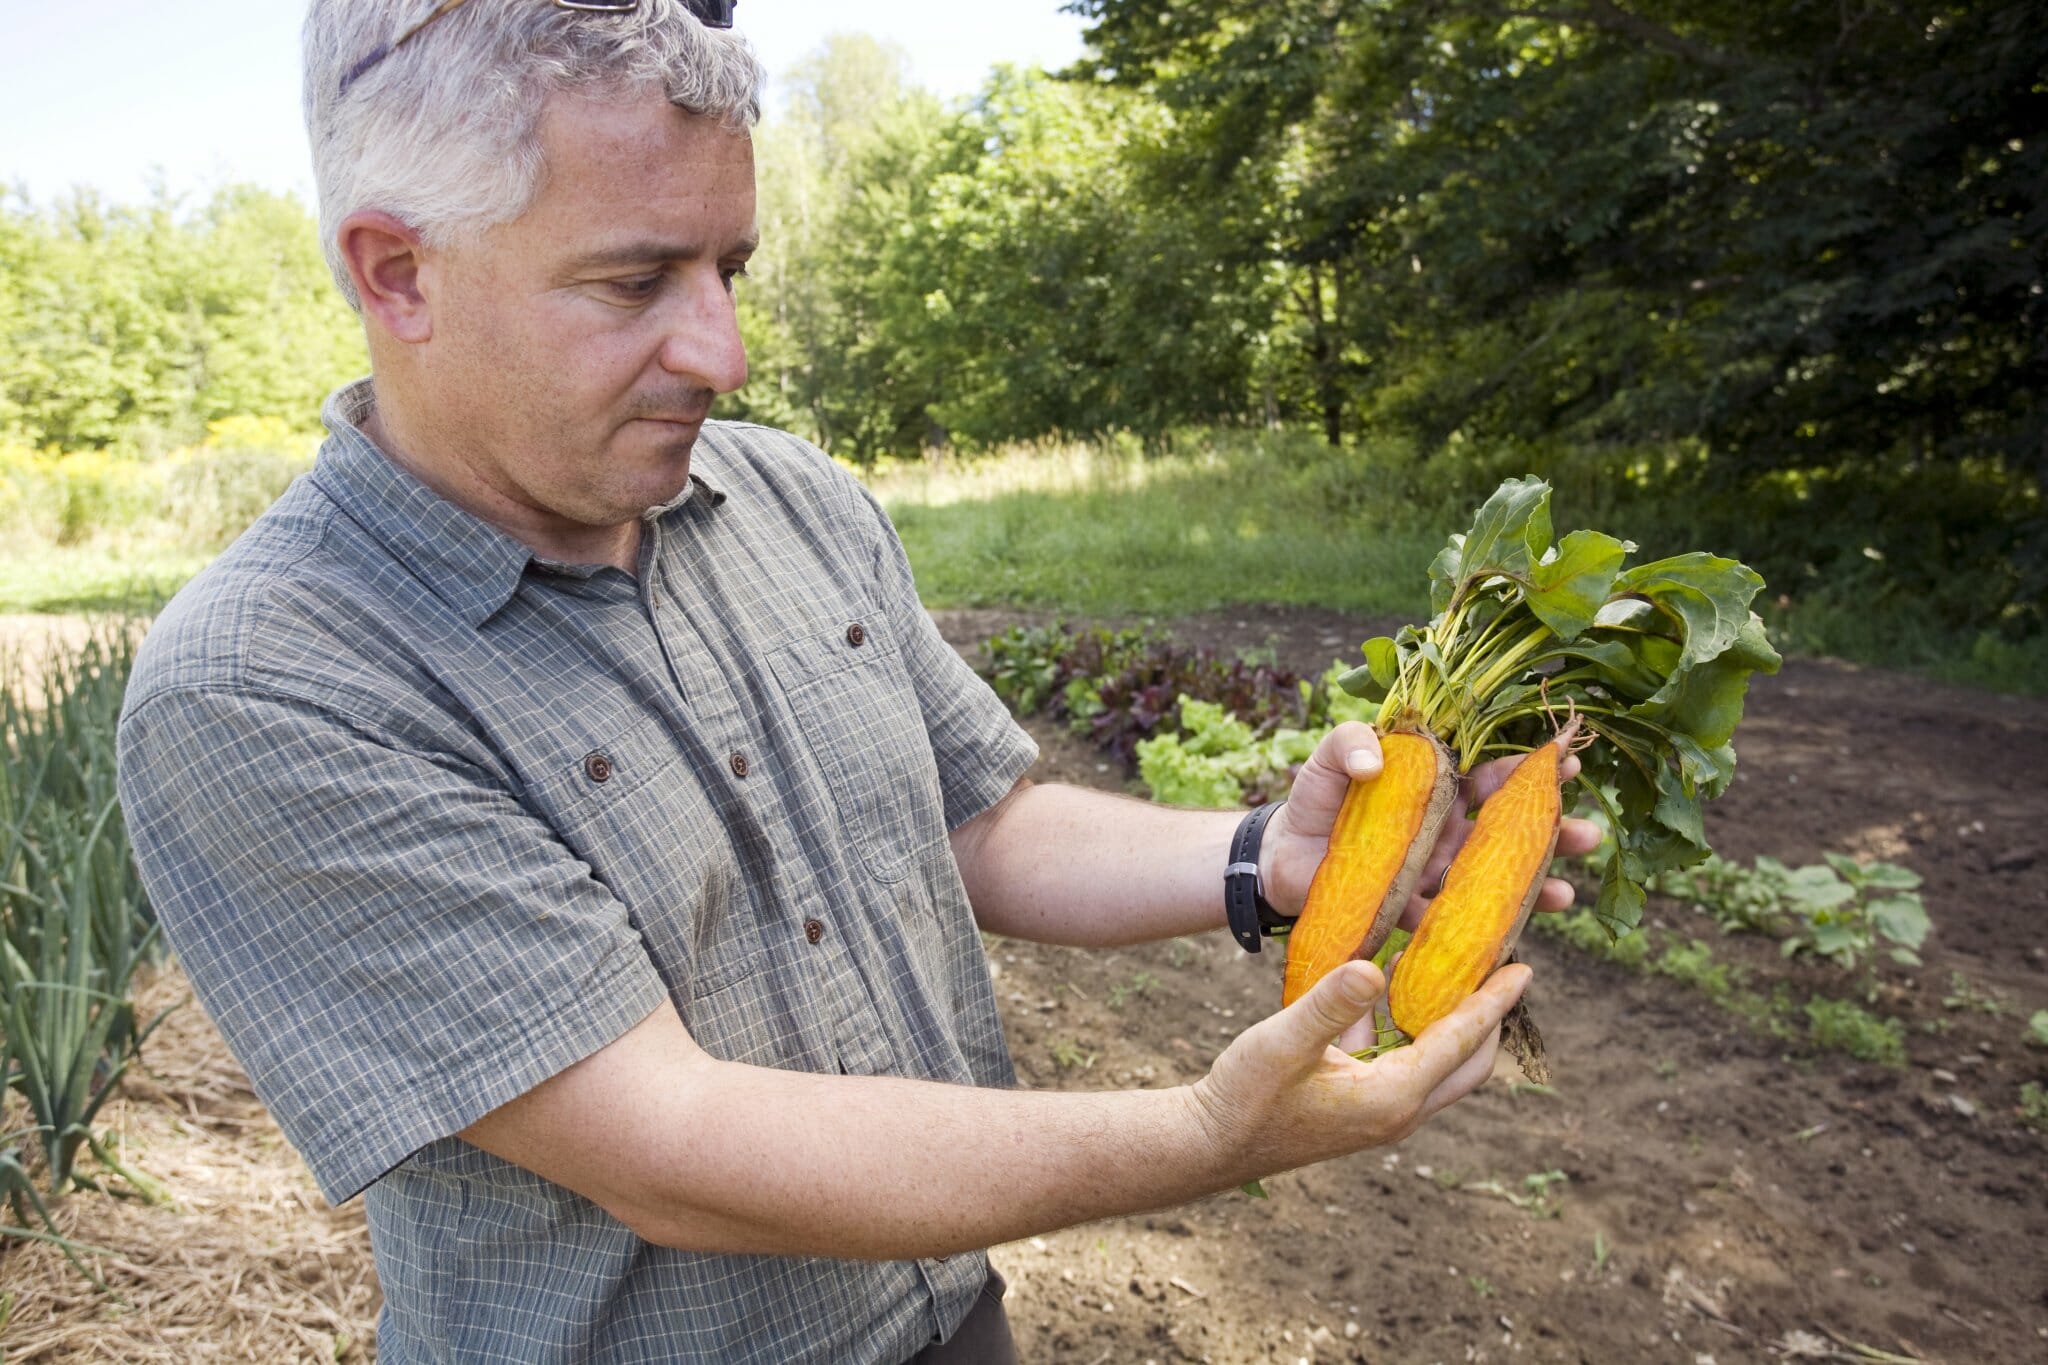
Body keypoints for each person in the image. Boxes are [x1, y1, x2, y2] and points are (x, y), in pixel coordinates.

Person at [115, 3, 1598, 1361]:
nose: (727, 349)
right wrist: (1206, 1131)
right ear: (397, 271)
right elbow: (674, 1148)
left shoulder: (784, 498)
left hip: (950, 1317)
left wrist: (1270, 856)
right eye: (637, 279)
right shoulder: (274, 680)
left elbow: (981, 823)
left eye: (730, 268)